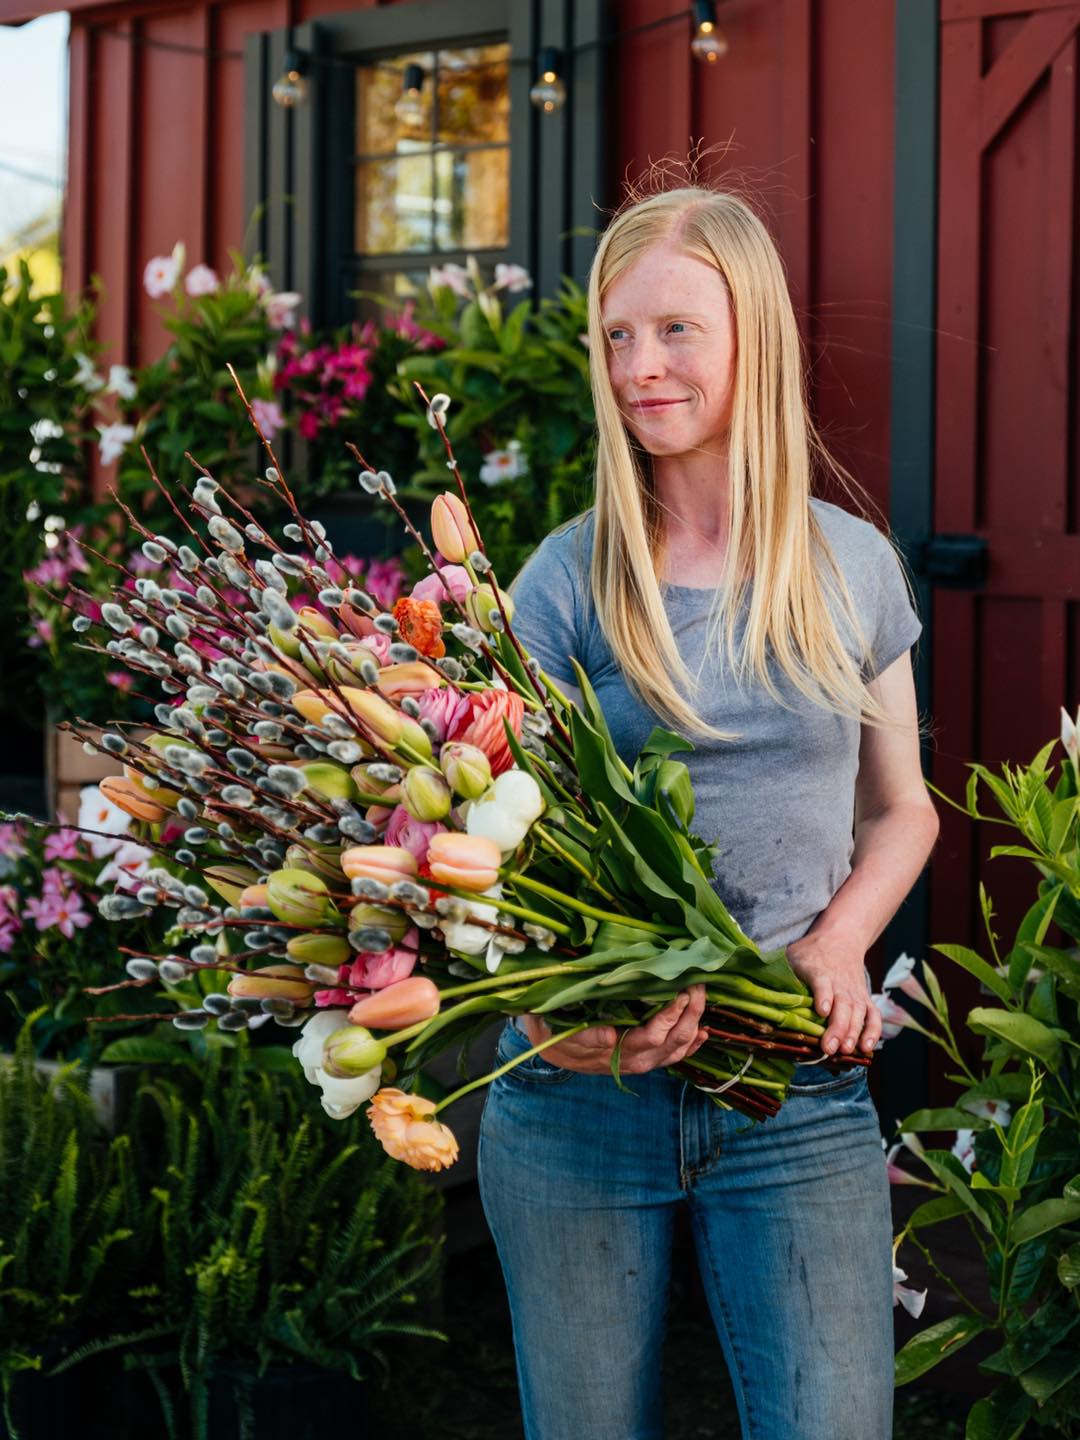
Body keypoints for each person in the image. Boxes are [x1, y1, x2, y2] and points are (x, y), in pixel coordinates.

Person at [476, 185, 940, 1440]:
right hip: (585, 1099)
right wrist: (538, 1004)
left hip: (796, 1088)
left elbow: (903, 810)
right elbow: (485, 839)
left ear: (755, 335)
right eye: (617, 338)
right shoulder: (567, 579)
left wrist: (841, 942)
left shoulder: (850, 566)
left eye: (675, 329)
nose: (641, 367)